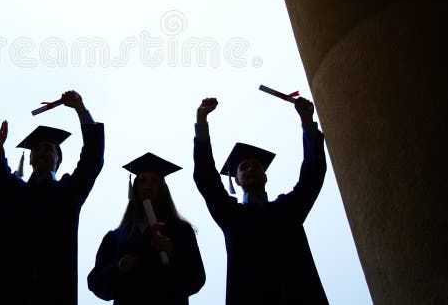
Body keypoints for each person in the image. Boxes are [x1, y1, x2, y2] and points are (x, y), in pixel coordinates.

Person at [0, 82, 104, 305]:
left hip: (52, 290)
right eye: (37, 149)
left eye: (49, 148)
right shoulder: (12, 189)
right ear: (29, 159)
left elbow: (92, 160)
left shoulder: (69, 192)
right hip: (4, 289)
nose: (42, 152)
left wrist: (80, 109)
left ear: (59, 158)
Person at [193, 96, 328, 304]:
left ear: (265, 175)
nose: (251, 168)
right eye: (243, 167)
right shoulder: (231, 216)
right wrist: (201, 123)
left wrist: (307, 121)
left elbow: (313, 173)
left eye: (256, 165)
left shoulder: (288, 209)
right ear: (236, 181)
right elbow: (206, 179)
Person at [88, 152, 206, 304]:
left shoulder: (181, 231)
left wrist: (172, 253)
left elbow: (196, 280)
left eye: (154, 181)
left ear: (162, 188)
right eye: (142, 181)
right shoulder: (116, 237)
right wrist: (118, 268)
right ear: (135, 188)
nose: (148, 186)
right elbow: (96, 283)